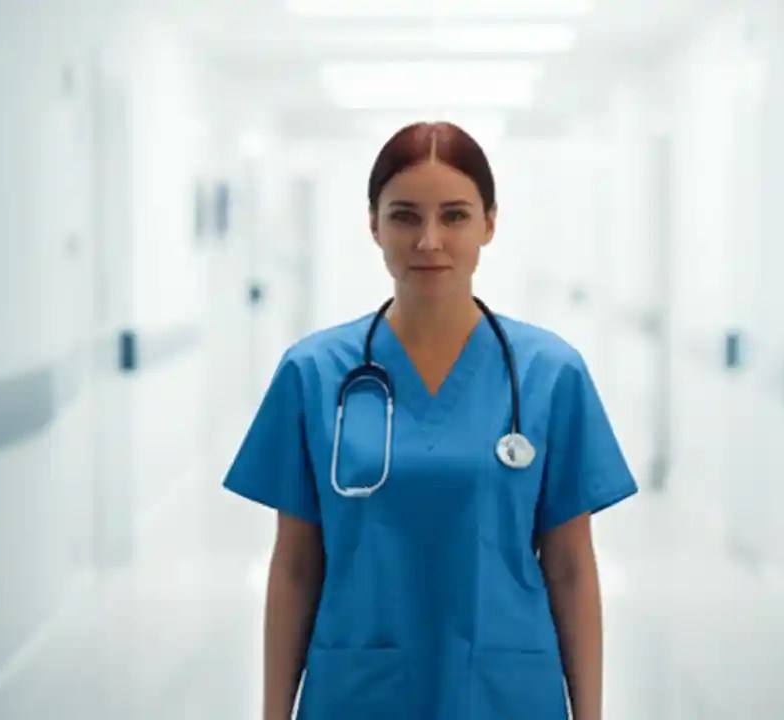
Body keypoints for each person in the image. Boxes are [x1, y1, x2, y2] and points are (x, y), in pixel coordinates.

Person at [222, 121, 638, 720]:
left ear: (489, 223)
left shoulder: (550, 374)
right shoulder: (313, 373)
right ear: (374, 225)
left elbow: (571, 567)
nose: (429, 240)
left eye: (455, 216)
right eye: (405, 216)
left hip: (504, 693)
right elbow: (295, 565)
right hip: (358, 693)